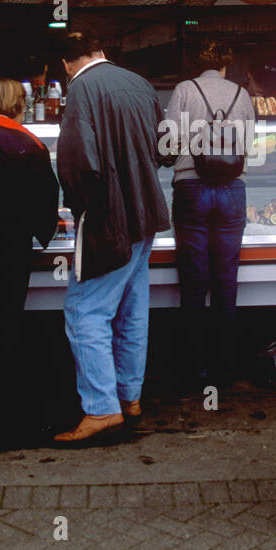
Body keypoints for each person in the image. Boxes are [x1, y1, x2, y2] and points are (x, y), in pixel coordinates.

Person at [54, 32, 170, 444]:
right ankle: (130, 399)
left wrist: (78, 207)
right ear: (102, 52)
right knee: (132, 309)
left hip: (108, 217)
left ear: (67, 64)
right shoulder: (139, 82)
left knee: (86, 311)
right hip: (147, 214)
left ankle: (101, 409)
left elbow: (76, 162)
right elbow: (168, 149)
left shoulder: (81, 88)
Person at [0, 77, 60, 445]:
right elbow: (46, 199)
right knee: (5, 323)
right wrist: (45, 231)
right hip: (11, 247)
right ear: (19, 104)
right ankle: (1, 417)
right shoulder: (28, 143)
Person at [161, 37, 255, 390]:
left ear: (193, 62)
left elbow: (167, 144)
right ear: (226, 64)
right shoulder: (240, 93)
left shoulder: (185, 89)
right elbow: (249, 143)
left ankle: (195, 370)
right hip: (232, 190)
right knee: (226, 281)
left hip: (191, 188)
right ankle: (225, 369)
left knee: (194, 282)